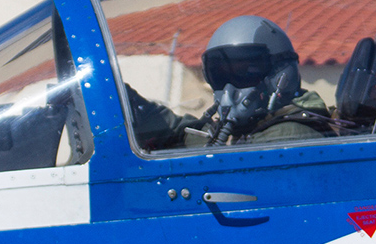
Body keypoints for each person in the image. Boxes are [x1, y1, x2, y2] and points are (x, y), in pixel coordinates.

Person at [129, 15, 332, 150]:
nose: (229, 89)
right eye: (219, 74)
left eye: (244, 72)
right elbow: (179, 132)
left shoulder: (288, 137)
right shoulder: (244, 130)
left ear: (281, 77)